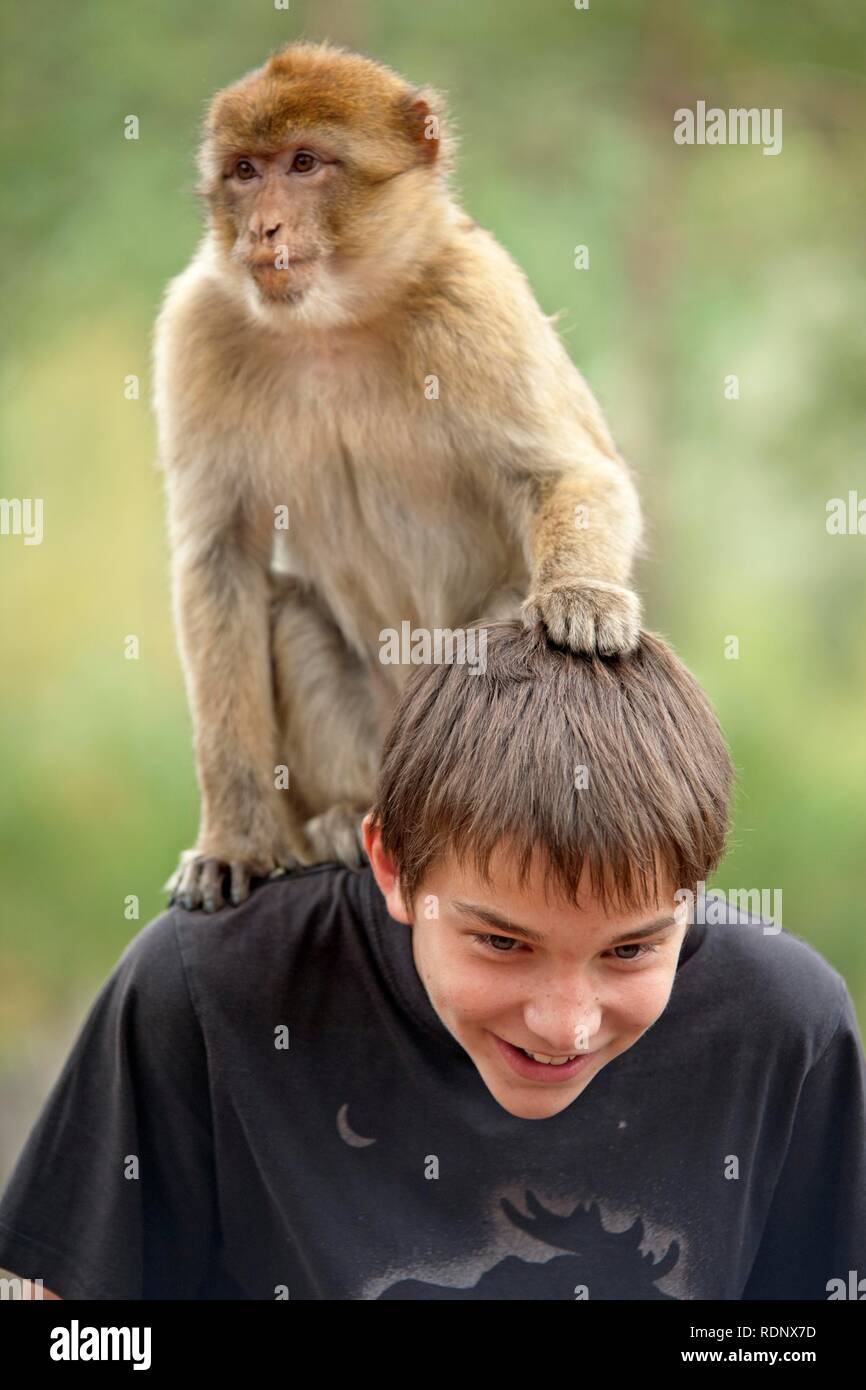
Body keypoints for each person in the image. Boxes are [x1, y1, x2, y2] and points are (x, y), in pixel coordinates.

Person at [1, 621, 864, 1300]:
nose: (565, 1024)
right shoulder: (211, 990)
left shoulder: (786, 1029)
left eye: (632, 949)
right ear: (392, 865)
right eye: (502, 942)